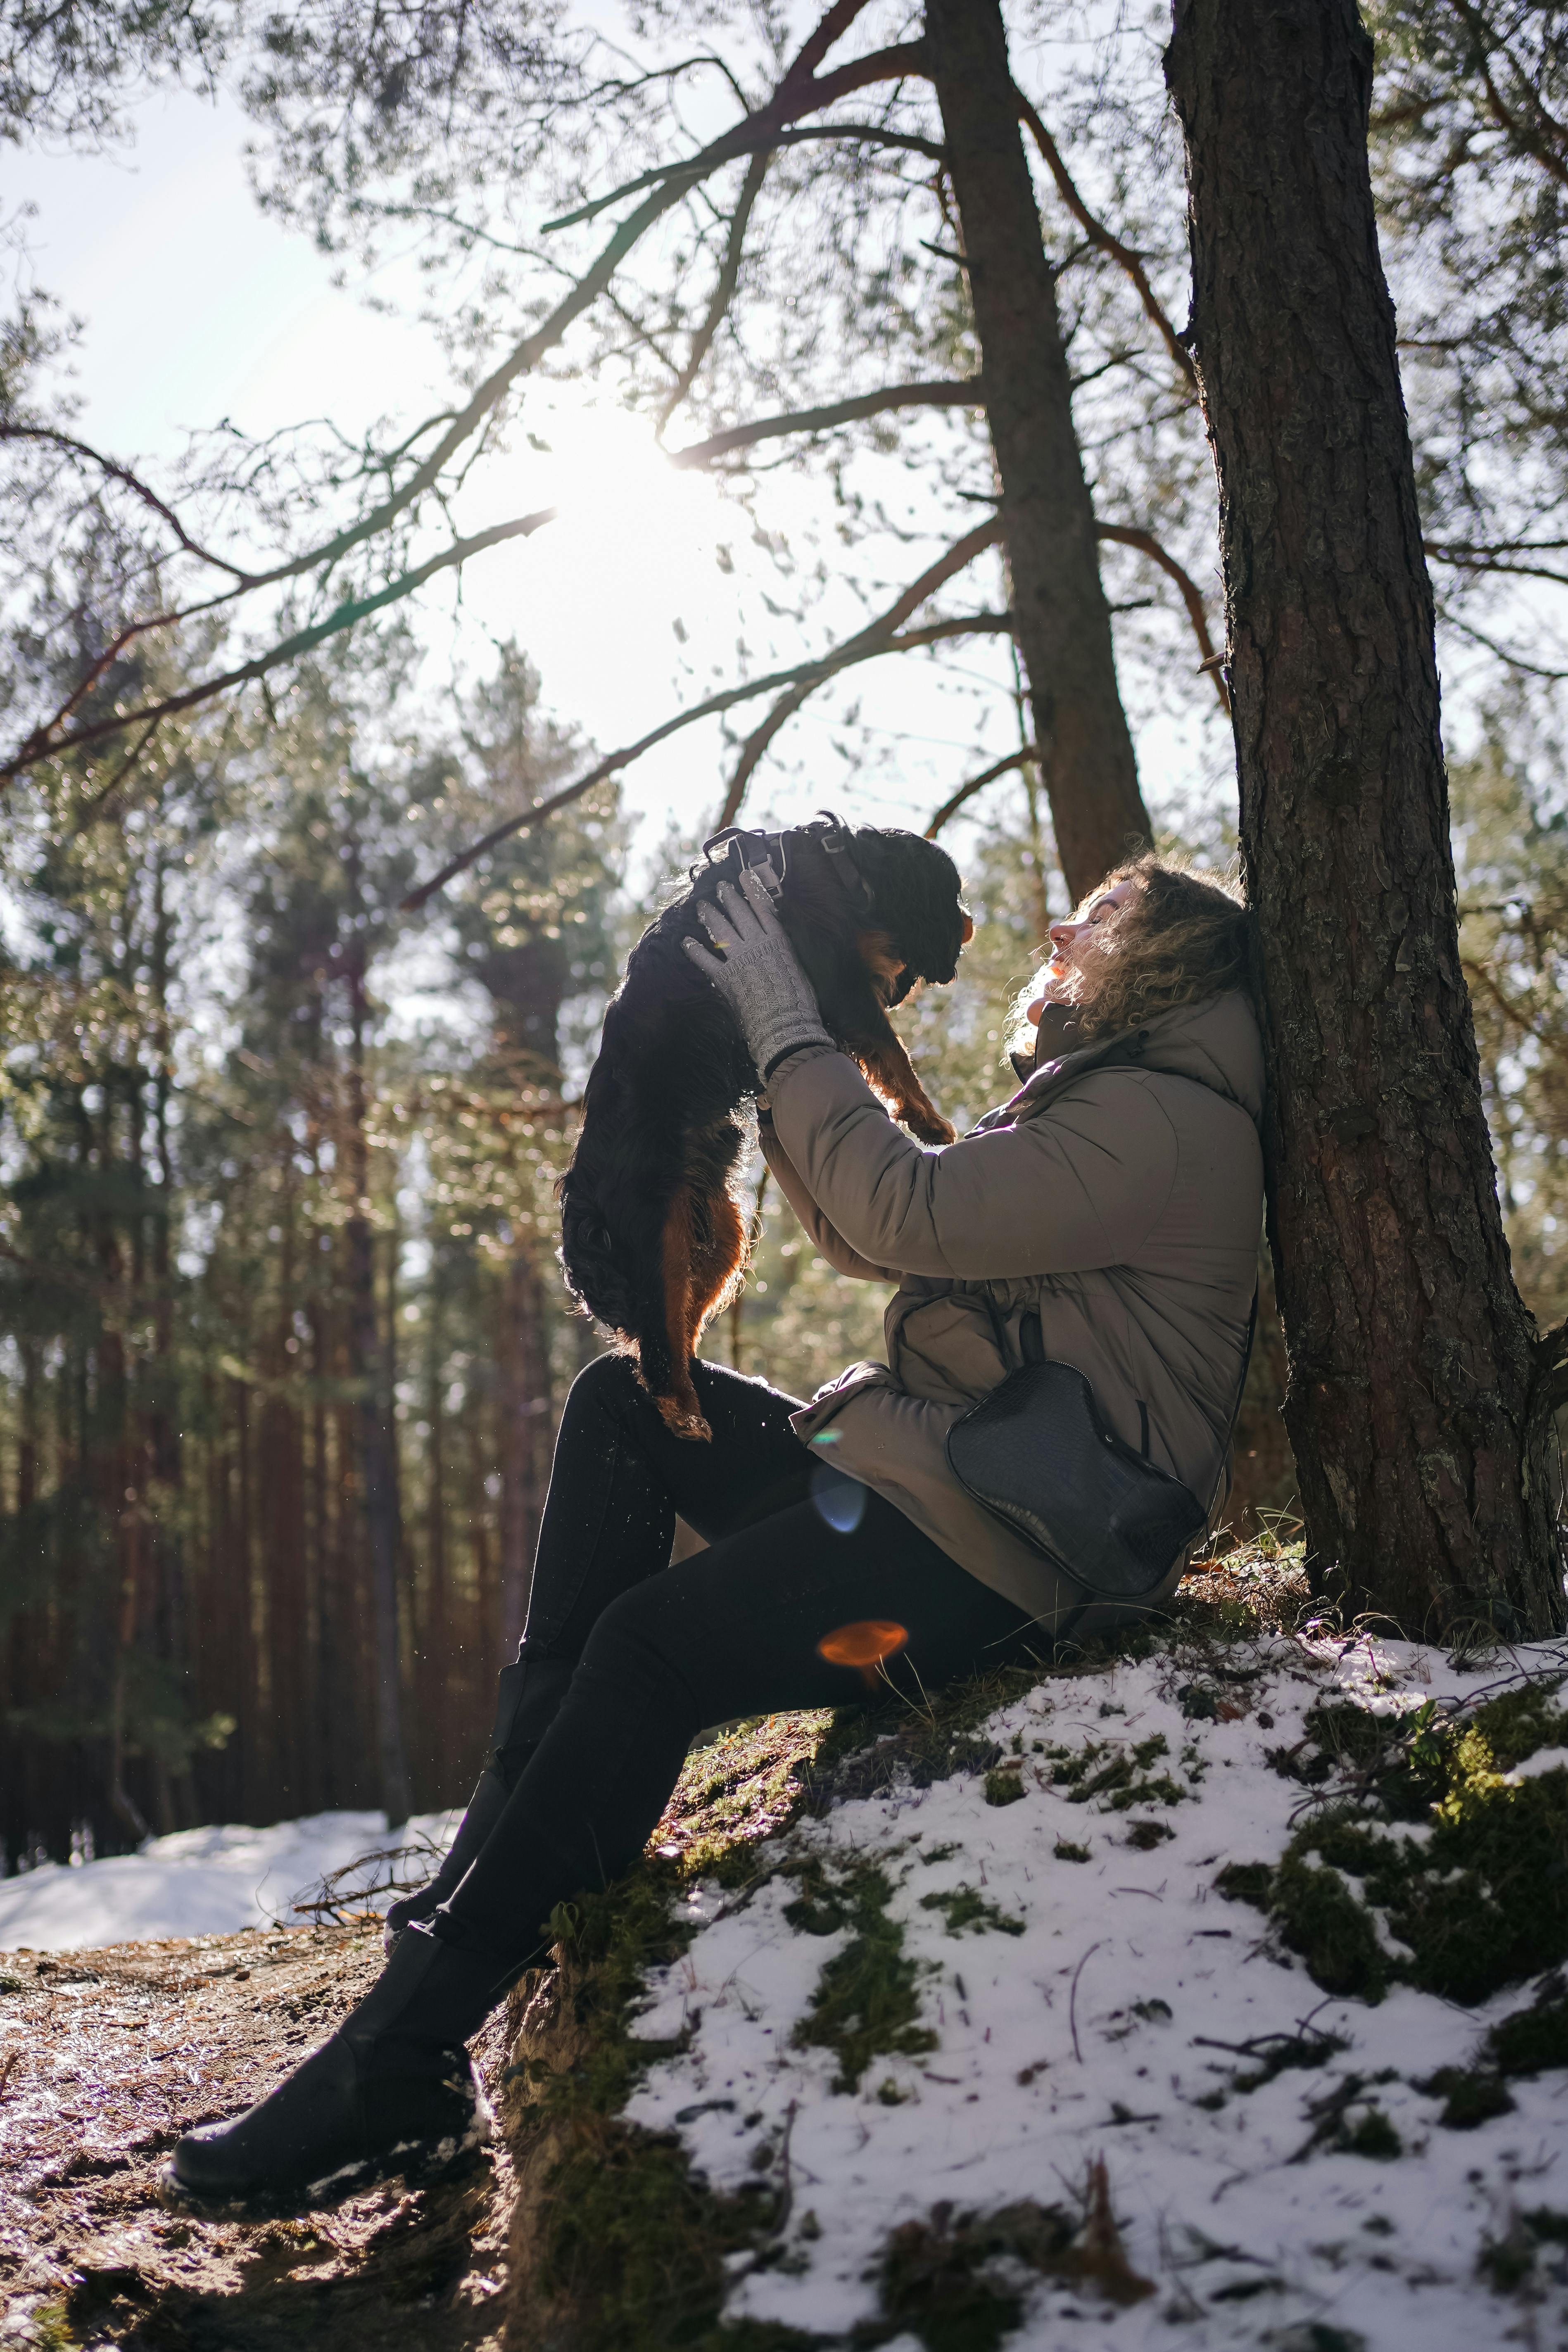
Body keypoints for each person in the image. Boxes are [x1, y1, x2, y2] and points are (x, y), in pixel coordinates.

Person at [166, 851, 1264, 2212]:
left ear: (1167, 963)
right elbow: (881, 1239)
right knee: (627, 1406)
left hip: (1010, 1551)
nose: (1058, 930)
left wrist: (782, 1019)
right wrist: (774, 1031)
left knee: (650, 1650)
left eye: (1098, 918)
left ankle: (397, 2057)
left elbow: (897, 1209)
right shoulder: (1111, 1099)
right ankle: (439, 1952)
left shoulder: (1160, 1120)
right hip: (939, 1481)